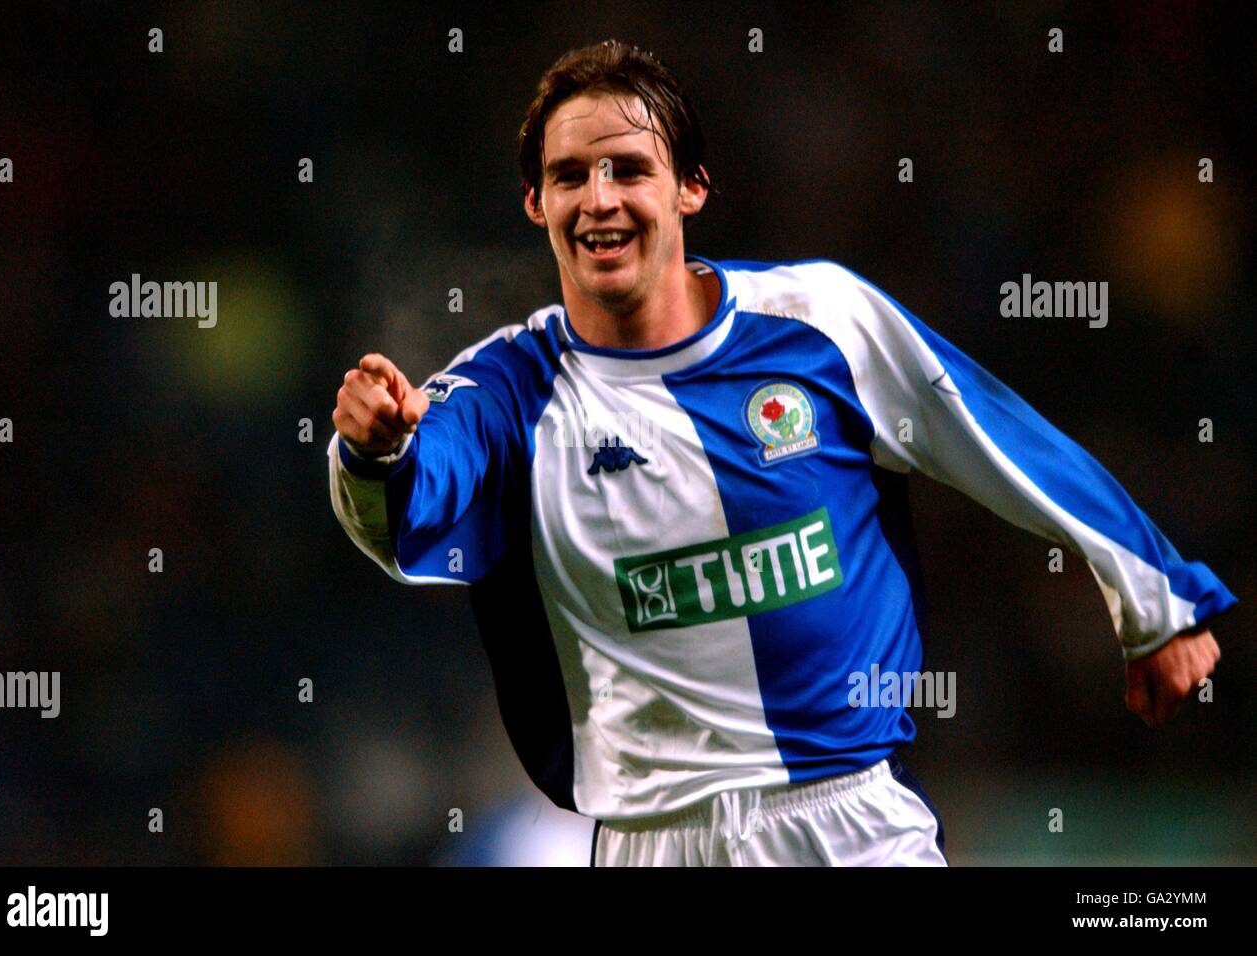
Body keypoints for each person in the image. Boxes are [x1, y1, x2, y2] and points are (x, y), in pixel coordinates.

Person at [327, 40, 1235, 866]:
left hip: (851, 827)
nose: (599, 198)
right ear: (536, 202)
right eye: (570, 176)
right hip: (652, 841)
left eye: (629, 170)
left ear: (691, 187)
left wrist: (1154, 596)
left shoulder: (821, 323)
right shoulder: (510, 389)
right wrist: (374, 449)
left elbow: (996, 436)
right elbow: (414, 494)